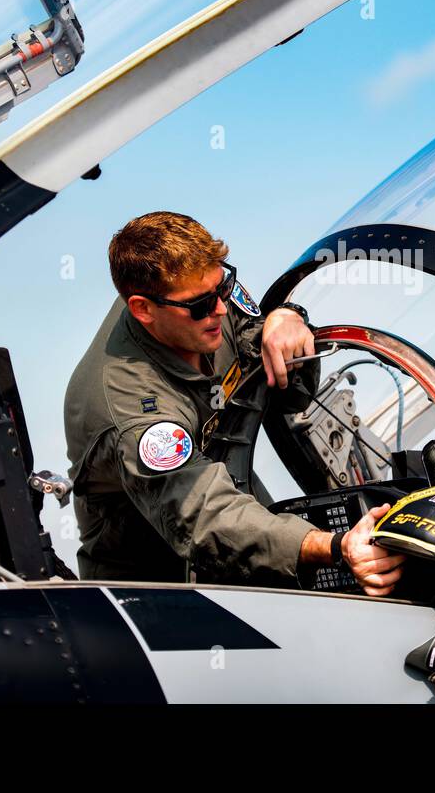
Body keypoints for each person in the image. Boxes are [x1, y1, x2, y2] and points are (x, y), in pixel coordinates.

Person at [63, 211, 405, 594]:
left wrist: (289, 320)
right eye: (200, 305)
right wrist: (335, 546)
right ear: (143, 309)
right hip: (157, 593)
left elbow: (288, 389)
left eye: (223, 288)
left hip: (233, 499)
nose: (221, 311)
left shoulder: (200, 300)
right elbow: (204, 515)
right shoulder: (130, 408)